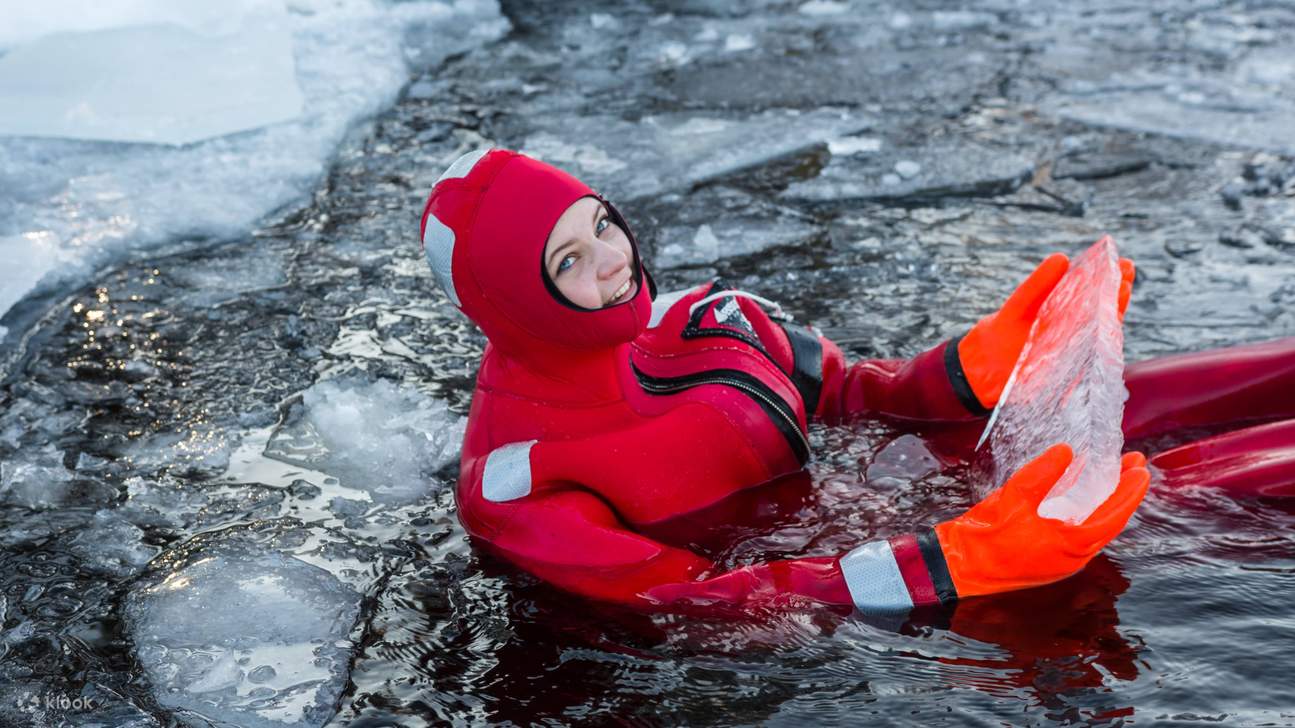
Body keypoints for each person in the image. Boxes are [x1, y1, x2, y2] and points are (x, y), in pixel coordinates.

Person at [418, 147, 1295, 614]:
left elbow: (855, 391)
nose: (613, 260)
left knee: (1090, 392)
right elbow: (681, 599)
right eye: (568, 259)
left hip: (886, 495)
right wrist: (942, 568)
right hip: (874, 564)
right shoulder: (519, 481)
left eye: (601, 223)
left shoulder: (705, 318)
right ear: (510, 300)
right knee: (1136, 494)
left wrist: (968, 368)